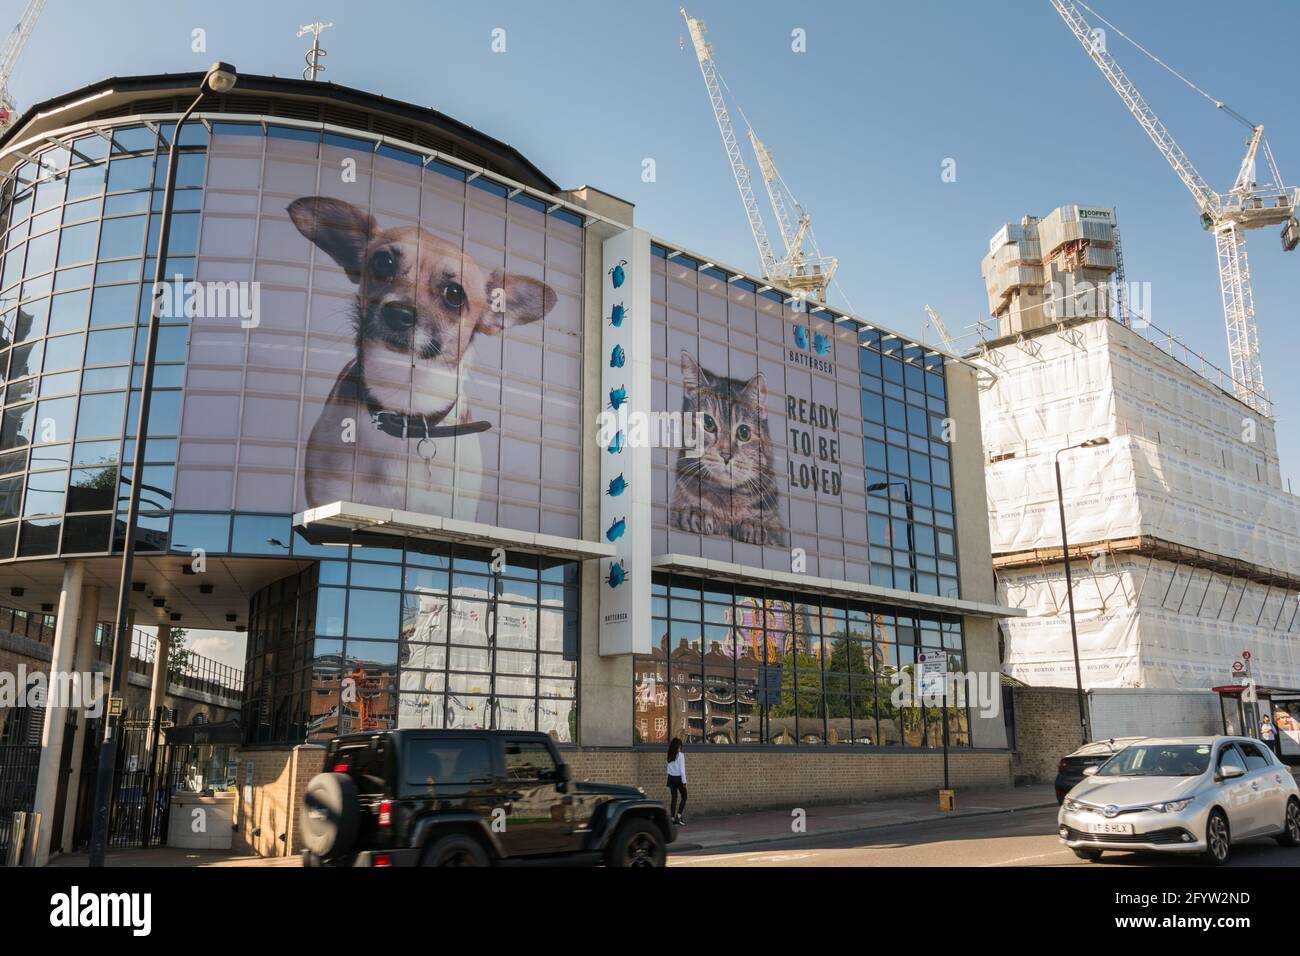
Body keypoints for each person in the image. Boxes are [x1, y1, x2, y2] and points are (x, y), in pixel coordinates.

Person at [666, 736, 688, 827]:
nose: (680, 748)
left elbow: (667, 768)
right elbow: (682, 770)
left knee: (674, 798)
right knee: (684, 796)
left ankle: (671, 818)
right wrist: (684, 781)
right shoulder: (681, 755)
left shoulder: (669, 754)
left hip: (671, 778)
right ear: (678, 746)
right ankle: (678, 817)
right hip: (679, 778)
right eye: (680, 746)